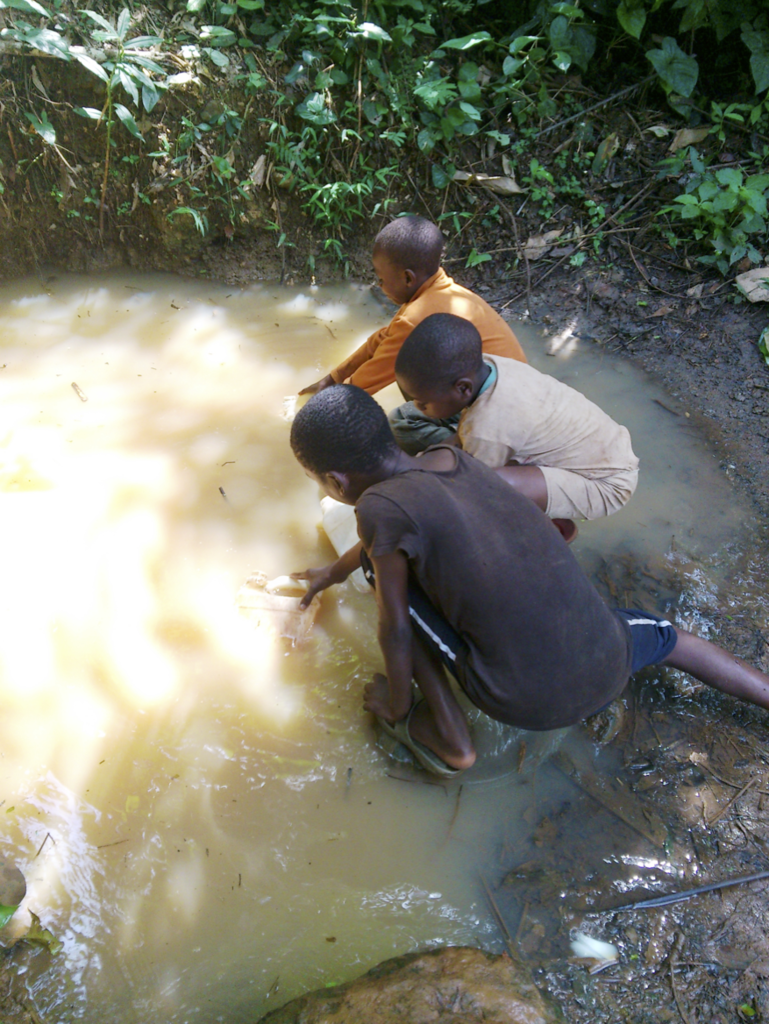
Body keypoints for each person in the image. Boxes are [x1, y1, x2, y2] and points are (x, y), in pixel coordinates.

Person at [289, 385, 769, 778]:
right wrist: (332, 572)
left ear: (334, 482)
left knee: (380, 574)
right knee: (668, 640)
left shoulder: (378, 509)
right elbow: (398, 532)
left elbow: (393, 625)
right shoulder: (450, 459)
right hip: (610, 657)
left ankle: (451, 739)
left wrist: (396, 704)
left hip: (521, 698)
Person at [299, 215, 527, 454]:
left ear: (407, 277)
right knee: (406, 409)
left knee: (401, 427)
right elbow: (380, 341)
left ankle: (466, 449)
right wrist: (334, 378)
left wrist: (316, 414)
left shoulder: (416, 318)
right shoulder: (440, 292)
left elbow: (359, 389)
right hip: (512, 392)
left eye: (381, 279)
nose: (379, 286)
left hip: (501, 413)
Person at [395, 313, 639, 532]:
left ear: (463, 389)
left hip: (605, 484)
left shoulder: (487, 428)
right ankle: (536, 493)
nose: (419, 408)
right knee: (427, 435)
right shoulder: (491, 366)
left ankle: (537, 519)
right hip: (604, 449)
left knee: (482, 488)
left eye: (423, 402)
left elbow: (471, 484)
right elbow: (463, 442)